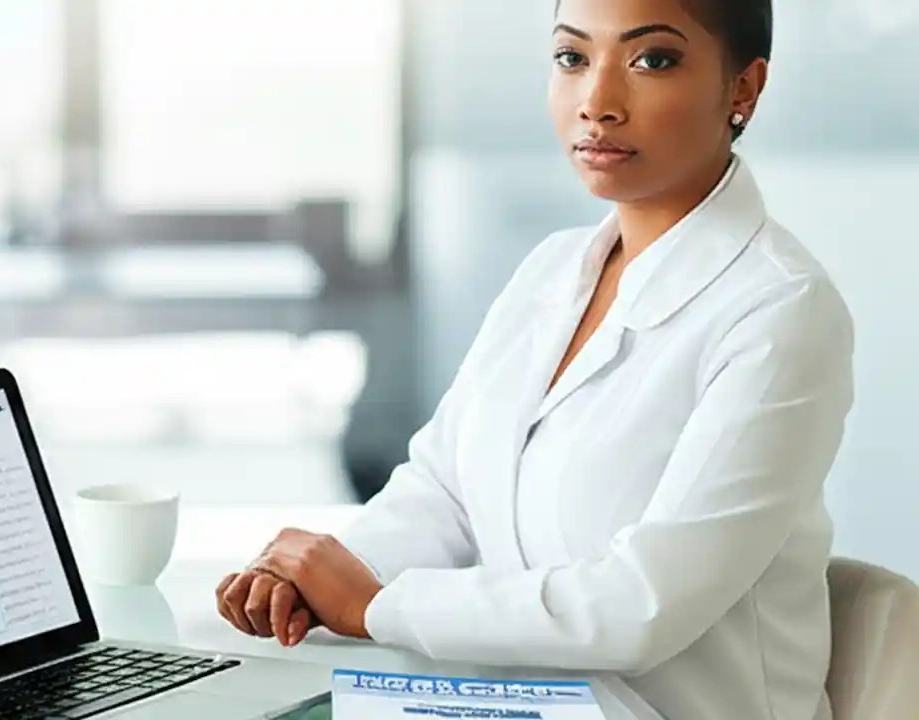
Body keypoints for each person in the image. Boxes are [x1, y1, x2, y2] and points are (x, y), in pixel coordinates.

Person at [216, 0, 855, 718]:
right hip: (507, 699)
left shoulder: (781, 310)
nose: (597, 102)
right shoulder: (552, 271)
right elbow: (445, 492)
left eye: (652, 60)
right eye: (572, 58)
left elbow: (640, 605)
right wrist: (324, 575)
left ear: (743, 87)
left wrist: (374, 605)